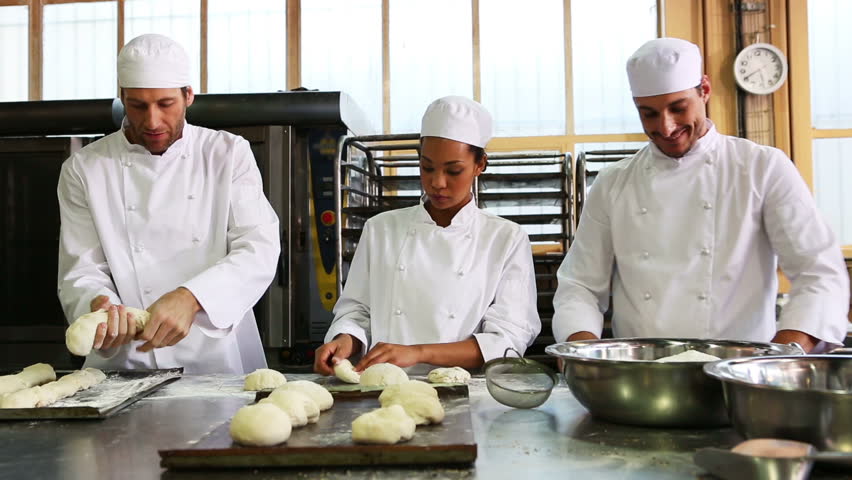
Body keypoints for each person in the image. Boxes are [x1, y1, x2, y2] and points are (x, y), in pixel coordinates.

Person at [552, 37, 849, 352]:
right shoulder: (613, 183)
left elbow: (818, 272)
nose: (665, 127)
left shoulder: (762, 168)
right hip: (644, 375)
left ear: (704, 90)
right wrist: (578, 350)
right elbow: (580, 284)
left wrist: (783, 355)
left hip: (739, 374)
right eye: (649, 113)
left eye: (678, 108)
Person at [57, 34, 280, 373]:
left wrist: (191, 297)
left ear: (188, 95)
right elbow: (81, 268)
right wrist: (99, 305)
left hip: (214, 353)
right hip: (128, 358)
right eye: (138, 106)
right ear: (122, 98)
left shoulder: (226, 153)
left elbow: (258, 247)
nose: (152, 121)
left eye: (165, 104)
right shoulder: (85, 168)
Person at [314, 96, 541, 375]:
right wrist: (344, 340)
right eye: (427, 167)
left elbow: (507, 338)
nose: (437, 182)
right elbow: (357, 312)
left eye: (453, 170)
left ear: (480, 164)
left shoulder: (505, 239)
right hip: (383, 388)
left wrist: (418, 352)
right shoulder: (381, 229)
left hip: (464, 393)